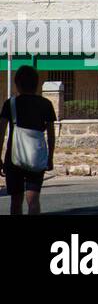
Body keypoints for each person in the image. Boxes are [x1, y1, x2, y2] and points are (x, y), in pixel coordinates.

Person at [1, 65, 57, 215]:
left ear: (17, 83)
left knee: (15, 201)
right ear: (37, 83)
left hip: (13, 158)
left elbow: (1, 132)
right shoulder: (46, 104)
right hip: (36, 157)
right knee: (33, 201)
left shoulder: (10, 104)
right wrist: (50, 158)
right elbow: (51, 135)